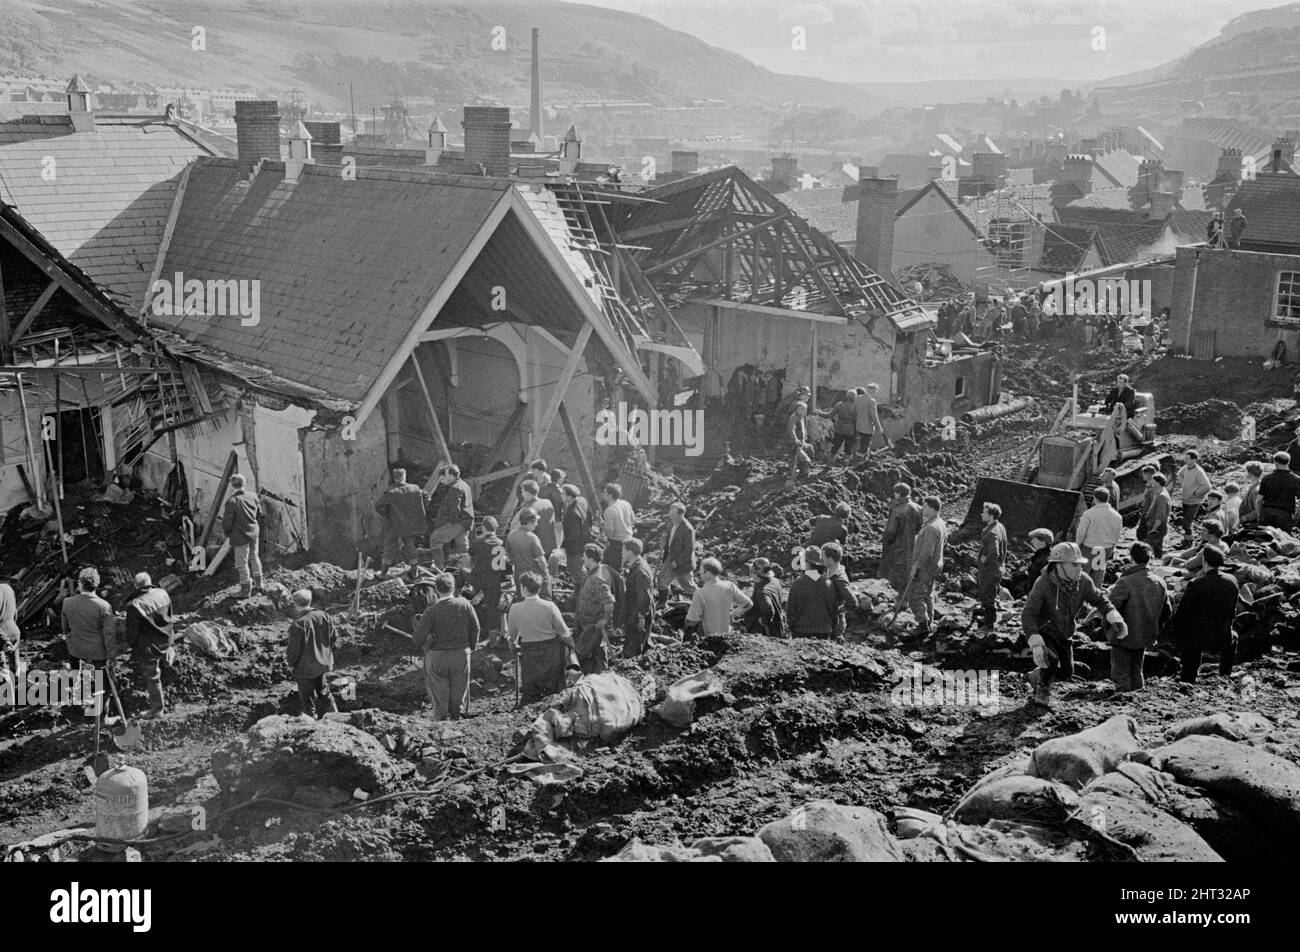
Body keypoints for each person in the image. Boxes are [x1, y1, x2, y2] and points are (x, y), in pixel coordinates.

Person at [1021, 542, 1126, 708]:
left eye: (1080, 564)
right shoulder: (1043, 584)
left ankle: (1036, 676)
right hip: (1045, 631)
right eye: (1074, 564)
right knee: (1051, 661)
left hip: (1065, 632)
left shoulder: (1083, 581)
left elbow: (1100, 599)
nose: (1079, 568)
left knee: (1066, 672)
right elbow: (1028, 614)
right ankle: (1042, 691)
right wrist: (1035, 642)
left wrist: (1113, 616)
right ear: (1059, 565)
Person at [412, 572, 480, 719]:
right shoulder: (465, 604)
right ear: (453, 587)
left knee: (438, 691)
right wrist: (471, 647)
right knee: (459, 688)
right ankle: (456, 716)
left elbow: (418, 638)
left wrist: (426, 642)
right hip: (461, 654)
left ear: (436, 589)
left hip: (437, 657)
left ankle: (441, 719)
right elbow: (476, 628)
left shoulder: (431, 611)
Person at [1106, 542, 1170, 692]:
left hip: (1123, 634)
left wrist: (1108, 629)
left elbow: (1110, 609)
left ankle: (1123, 697)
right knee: (1137, 668)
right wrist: (1155, 628)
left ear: (1131, 558)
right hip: (1146, 633)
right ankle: (1138, 696)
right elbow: (1167, 610)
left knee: (1121, 672)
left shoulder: (1125, 582)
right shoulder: (1159, 582)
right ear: (1149, 559)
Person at [1169, 547, 1239, 683]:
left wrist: (1175, 633)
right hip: (1221, 635)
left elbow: (1182, 614)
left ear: (1204, 562)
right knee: (1234, 637)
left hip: (1197, 637)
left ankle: (1189, 676)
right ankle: (1225, 673)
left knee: (1189, 642)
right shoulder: (1232, 580)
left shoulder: (1196, 584)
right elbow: (1232, 612)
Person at [506, 571, 575, 703]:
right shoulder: (550, 606)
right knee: (555, 693)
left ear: (524, 589)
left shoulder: (515, 609)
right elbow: (564, 633)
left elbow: (512, 636)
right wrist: (572, 647)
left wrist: (511, 645)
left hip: (530, 654)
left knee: (531, 693)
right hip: (552, 653)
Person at [122, 572, 174, 718]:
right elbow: (169, 615)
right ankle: (167, 656)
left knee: (152, 675)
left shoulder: (134, 605)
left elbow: (132, 633)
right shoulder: (163, 593)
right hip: (166, 638)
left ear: (135, 586)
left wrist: (132, 647)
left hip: (151, 646)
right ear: (150, 581)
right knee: (161, 661)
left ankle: (157, 709)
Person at [62, 568, 115, 705]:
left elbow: (65, 629)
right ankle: (102, 717)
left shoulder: (67, 602)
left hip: (75, 649)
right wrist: (111, 657)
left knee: (74, 669)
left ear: (80, 584)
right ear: (96, 585)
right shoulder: (104, 606)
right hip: (98, 652)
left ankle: (76, 696)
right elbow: (109, 635)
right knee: (104, 684)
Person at [285, 588, 339, 719]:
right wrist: (324, 653)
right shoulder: (323, 615)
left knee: (307, 696)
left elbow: (294, 650)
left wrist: (291, 663)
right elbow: (334, 637)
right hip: (322, 663)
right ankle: (336, 717)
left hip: (305, 668)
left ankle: (310, 722)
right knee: (324, 691)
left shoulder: (298, 624)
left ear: (296, 604)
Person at [374, 467, 428, 577]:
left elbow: (378, 505)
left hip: (394, 524)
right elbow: (427, 496)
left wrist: (388, 515)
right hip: (409, 524)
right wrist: (417, 511)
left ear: (394, 478)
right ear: (405, 476)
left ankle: (383, 573)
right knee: (410, 547)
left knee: (389, 548)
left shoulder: (391, 492)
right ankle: (414, 572)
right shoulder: (415, 488)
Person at [906, 496, 947, 638]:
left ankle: (922, 625)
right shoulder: (939, 523)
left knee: (916, 596)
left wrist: (916, 566)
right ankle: (929, 623)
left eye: (924, 507)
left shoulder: (931, 527)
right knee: (928, 595)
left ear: (931, 507)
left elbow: (927, 552)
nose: (923, 509)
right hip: (934, 566)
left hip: (925, 567)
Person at [685, 557, 752, 637]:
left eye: (701, 570)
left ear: (708, 573)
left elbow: (692, 621)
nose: (699, 573)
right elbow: (748, 604)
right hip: (728, 635)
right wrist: (730, 615)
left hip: (711, 638)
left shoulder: (700, 593)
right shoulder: (729, 586)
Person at [575, 544, 616, 673]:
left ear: (591, 559)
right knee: (597, 650)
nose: (582, 558)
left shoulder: (597, 579)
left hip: (593, 624)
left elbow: (609, 602)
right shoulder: (591, 575)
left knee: (580, 651)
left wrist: (605, 619)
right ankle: (602, 673)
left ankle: (600, 675)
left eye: (585, 556)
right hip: (588, 623)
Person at [222, 474, 264, 597]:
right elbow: (259, 514)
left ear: (232, 485)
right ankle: (259, 583)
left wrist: (229, 533)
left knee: (241, 562)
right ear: (244, 484)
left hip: (240, 535)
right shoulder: (253, 496)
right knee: (254, 556)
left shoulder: (231, 501)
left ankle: (245, 590)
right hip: (254, 532)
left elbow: (226, 523)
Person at [429, 464, 475, 569]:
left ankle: (439, 568)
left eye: (443, 478)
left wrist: (448, 524)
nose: (441, 481)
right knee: (462, 547)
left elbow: (455, 509)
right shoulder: (464, 484)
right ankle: (466, 570)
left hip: (458, 522)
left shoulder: (455, 488)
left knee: (435, 539)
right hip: (466, 521)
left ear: (450, 475)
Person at [786, 546, 838, 638]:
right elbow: (834, 611)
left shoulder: (796, 584)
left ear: (806, 563)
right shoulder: (829, 584)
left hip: (801, 632)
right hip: (824, 632)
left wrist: (793, 628)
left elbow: (791, 612)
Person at [468, 517, 508, 639]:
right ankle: (493, 638)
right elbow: (501, 566)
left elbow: (470, 553)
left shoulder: (478, 541)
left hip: (478, 580)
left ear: (484, 528)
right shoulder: (501, 543)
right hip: (494, 581)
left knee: (462, 572)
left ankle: (456, 594)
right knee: (493, 609)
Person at [1075, 487, 1123, 587]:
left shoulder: (1089, 514)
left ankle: (1081, 596)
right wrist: (1112, 547)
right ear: (1108, 498)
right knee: (1098, 573)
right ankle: (1095, 595)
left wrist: (1078, 544)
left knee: (1083, 573)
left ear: (1095, 498)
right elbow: (1117, 534)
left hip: (1089, 547)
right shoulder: (1117, 516)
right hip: (1105, 548)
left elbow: (1081, 532)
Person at [880, 483, 922, 592]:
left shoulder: (896, 509)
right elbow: (920, 527)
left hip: (897, 545)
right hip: (913, 544)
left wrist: (886, 541)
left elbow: (890, 530)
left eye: (895, 492)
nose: (894, 494)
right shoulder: (918, 507)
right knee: (909, 568)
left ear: (899, 493)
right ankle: (908, 592)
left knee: (897, 571)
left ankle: (899, 595)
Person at [620, 538, 655, 657]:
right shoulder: (638, 565)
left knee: (633, 647)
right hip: (636, 611)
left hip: (638, 614)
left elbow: (644, 597)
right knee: (638, 642)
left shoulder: (639, 571)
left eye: (624, 550)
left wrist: (640, 618)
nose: (622, 553)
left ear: (630, 552)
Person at [506, 508, 552, 600]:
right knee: (544, 600)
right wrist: (546, 572)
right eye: (535, 522)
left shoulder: (511, 535)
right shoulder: (532, 537)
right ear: (530, 522)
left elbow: (507, 557)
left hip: (519, 575)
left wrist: (517, 563)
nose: (536, 524)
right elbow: (541, 561)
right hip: (534, 575)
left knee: (522, 600)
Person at [976, 502, 1007, 629]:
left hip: (990, 570)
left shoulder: (992, 532)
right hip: (997, 568)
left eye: (984, 513)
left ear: (991, 516)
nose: (981, 514)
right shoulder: (999, 526)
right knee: (991, 593)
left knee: (987, 595)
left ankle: (989, 624)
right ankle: (988, 619)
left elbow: (995, 552)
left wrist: (985, 559)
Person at [558, 484, 593, 595]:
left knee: (578, 572)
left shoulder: (572, 513)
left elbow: (572, 535)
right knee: (583, 570)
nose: (561, 495)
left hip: (574, 548)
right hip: (584, 543)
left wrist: (563, 547)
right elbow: (590, 519)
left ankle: (581, 595)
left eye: (563, 493)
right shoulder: (582, 502)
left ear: (569, 496)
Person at [741, 558, 786, 638]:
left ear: (755, 572)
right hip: (778, 628)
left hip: (767, 633)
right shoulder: (775, 581)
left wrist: (760, 621)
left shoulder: (763, 591)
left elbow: (769, 610)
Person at [659, 502, 697, 596]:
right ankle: (662, 603)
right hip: (671, 556)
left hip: (683, 562)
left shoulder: (688, 530)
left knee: (688, 586)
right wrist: (665, 537)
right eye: (670, 514)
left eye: (673, 515)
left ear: (681, 515)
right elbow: (668, 532)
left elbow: (688, 550)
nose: (670, 517)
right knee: (662, 579)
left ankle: (704, 598)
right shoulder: (672, 522)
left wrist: (677, 562)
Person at [1176, 450, 1212, 545]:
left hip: (1194, 501)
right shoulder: (1187, 467)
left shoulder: (1199, 471)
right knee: (1186, 522)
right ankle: (1187, 539)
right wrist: (1183, 484)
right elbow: (1179, 473)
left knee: (1187, 522)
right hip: (1185, 499)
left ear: (1194, 459)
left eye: (1187, 458)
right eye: (1185, 458)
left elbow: (1207, 486)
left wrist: (1196, 493)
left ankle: (1189, 542)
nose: (1185, 460)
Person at [1258, 451, 1300, 529]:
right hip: (1285, 515)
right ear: (1288, 462)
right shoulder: (1296, 480)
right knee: (1283, 540)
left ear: (1275, 463)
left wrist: (1259, 515)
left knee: (1264, 539)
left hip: (1267, 512)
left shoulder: (1267, 478)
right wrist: (1297, 516)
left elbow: (1259, 500)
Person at [600, 483, 636, 572]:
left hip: (617, 544)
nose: (603, 494)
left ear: (610, 495)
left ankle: (617, 584)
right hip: (628, 540)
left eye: (605, 492)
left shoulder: (609, 511)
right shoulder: (626, 504)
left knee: (615, 570)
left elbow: (610, 533)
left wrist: (601, 525)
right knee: (605, 562)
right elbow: (633, 520)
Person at [821, 541, 852, 640]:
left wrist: (840, 610)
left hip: (836, 622)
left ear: (830, 559)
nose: (821, 559)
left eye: (823, 557)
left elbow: (853, 602)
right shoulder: (830, 570)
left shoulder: (839, 579)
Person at [853, 383, 883, 460]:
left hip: (858, 426)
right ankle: (858, 463)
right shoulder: (872, 401)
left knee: (859, 444)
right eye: (875, 391)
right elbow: (874, 416)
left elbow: (854, 411)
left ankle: (863, 460)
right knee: (864, 447)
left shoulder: (857, 398)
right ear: (874, 390)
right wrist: (879, 427)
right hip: (867, 428)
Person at [1144, 472, 1172, 558]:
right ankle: (1159, 561)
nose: (1152, 483)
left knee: (1145, 547)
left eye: (1153, 482)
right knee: (1158, 548)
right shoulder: (1161, 492)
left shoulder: (1162, 497)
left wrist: (1154, 529)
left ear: (1158, 483)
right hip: (1159, 526)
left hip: (1157, 527)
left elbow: (1160, 515)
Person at [786, 400, 814, 481]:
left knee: (809, 450)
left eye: (805, 409)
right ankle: (799, 475)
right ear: (797, 409)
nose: (805, 411)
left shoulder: (801, 417)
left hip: (800, 443)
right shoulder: (794, 417)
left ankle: (799, 472)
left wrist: (804, 440)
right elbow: (791, 430)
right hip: (794, 443)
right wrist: (795, 440)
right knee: (805, 460)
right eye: (803, 409)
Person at [829, 389, 860, 460]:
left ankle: (829, 464)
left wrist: (819, 413)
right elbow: (858, 420)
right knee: (848, 450)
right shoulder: (856, 407)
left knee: (835, 447)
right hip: (851, 430)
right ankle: (845, 467)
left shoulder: (839, 404)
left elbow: (829, 415)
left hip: (839, 429)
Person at [0, 579, 19, 683]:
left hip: (2, 634)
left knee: (2, 669)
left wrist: (4, 639)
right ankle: (18, 688)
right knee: (14, 664)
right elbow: (15, 613)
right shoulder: (8, 588)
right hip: (14, 630)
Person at [1239, 461, 1264, 527]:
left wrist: (1245, 518)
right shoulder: (1255, 486)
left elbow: (1257, 511)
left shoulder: (1257, 490)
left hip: (1252, 524)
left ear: (1250, 474)